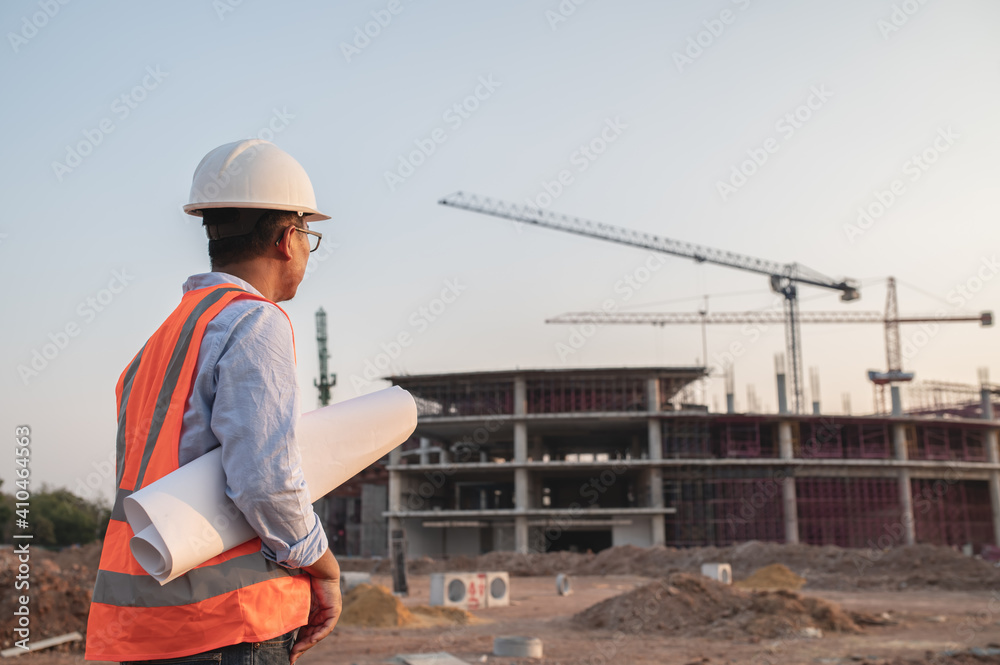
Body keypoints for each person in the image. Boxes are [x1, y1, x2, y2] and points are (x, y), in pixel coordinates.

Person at [85, 140, 341, 664]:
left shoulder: (163, 340)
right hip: (229, 623)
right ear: (288, 239)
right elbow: (265, 481)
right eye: (309, 237)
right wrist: (323, 564)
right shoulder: (254, 321)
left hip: (146, 623)